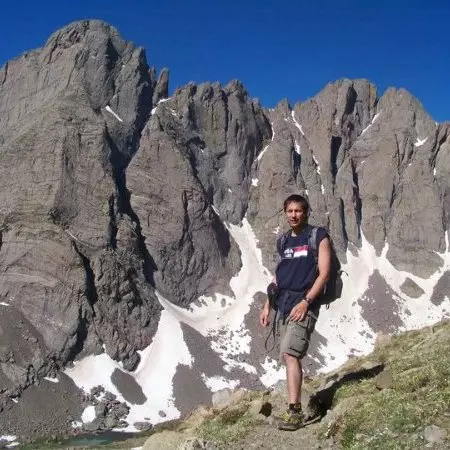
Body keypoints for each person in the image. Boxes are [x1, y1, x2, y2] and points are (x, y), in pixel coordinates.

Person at [259, 194, 331, 431]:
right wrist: (267, 305)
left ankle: (295, 413)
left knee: (291, 354)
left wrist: (306, 302)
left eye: (298, 211)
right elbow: (278, 276)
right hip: (284, 304)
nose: (294, 215)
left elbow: (324, 274)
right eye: (290, 211)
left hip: (303, 304)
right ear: (284, 212)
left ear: (306, 212)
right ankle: (294, 408)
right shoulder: (283, 242)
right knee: (287, 354)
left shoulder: (317, 236)